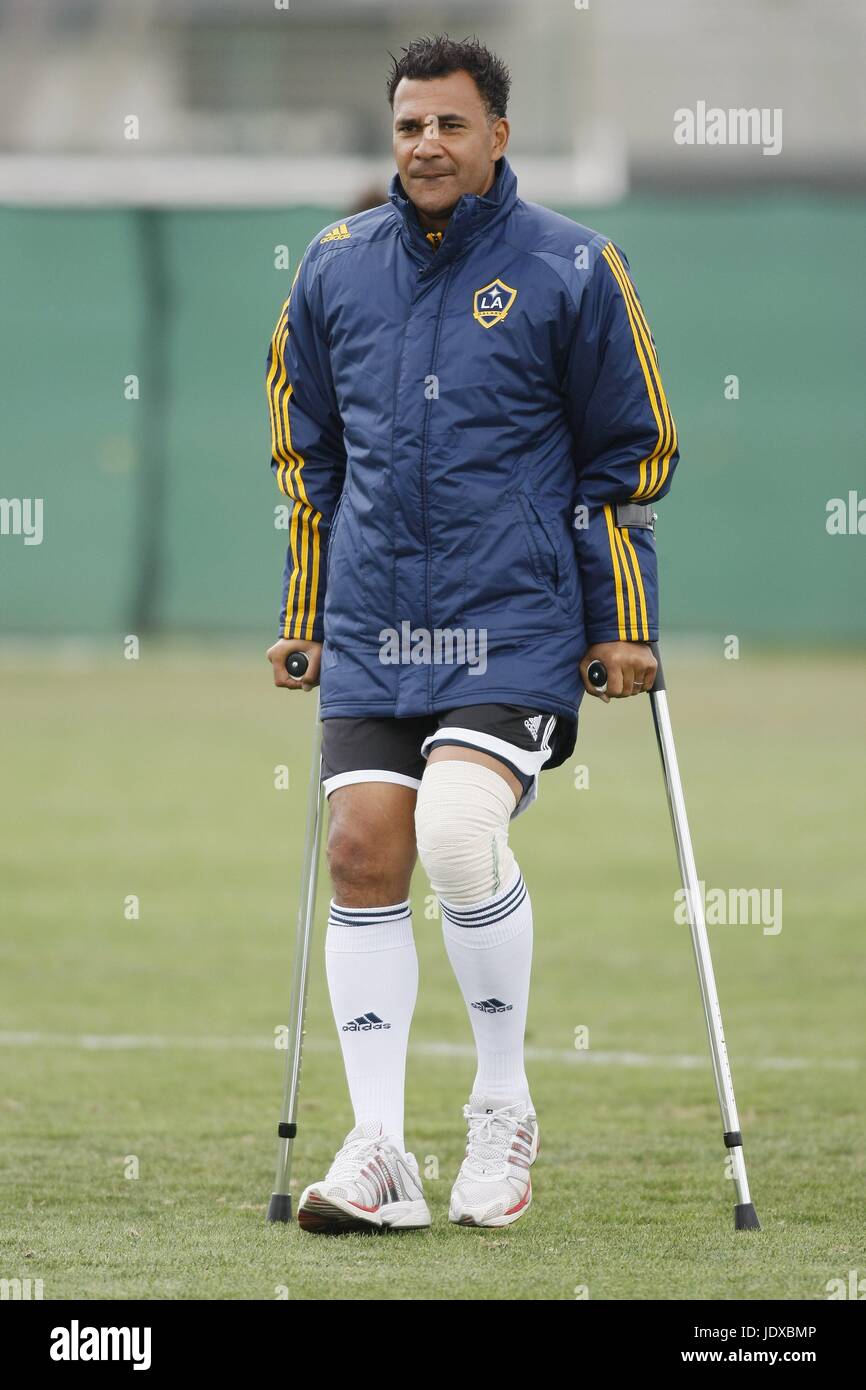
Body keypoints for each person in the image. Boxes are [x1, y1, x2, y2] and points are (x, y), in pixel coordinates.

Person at [265, 35, 679, 1232]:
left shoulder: (573, 265)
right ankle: (380, 1150)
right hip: (374, 616)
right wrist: (305, 615)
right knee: (358, 848)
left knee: (453, 828)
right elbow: (306, 453)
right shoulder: (333, 265)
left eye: (449, 125)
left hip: (517, 618)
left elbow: (629, 449)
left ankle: (500, 1110)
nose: (425, 146)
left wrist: (626, 621)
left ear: (497, 135)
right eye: (406, 126)